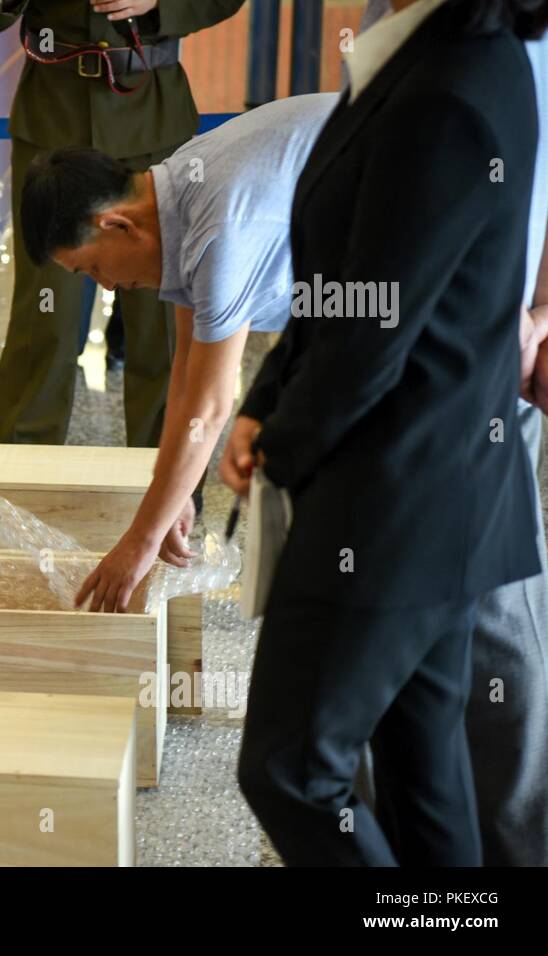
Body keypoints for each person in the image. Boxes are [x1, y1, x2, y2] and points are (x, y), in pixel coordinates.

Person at [221, 0, 546, 865]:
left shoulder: (448, 86)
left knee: (292, 772)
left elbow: (373, 331)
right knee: (422, 770)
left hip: (393, 500)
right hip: (440, 493)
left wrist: (281, 440)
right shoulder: (456, 55)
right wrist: (263, 401)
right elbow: (347, 282)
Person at [353, 0, 548, 868]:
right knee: (387, 669)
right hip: (404, 400)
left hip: (489, 393)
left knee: (501, 663)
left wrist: (540, 313)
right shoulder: (395, 36)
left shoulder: (513, 51)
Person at [15, 93, 338, 612]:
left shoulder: (217, 229)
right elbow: (186, 375)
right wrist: (171, 497)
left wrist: (138, 543)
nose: (109, 287)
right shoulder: (175, 191)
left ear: (117, 225)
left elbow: (210, 407)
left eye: (94, 268)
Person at [0, 0, 245, 447]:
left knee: (163, 317)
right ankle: (25, 474)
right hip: (53, 119)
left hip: (152, 121)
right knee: (45, 311)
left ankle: (168, 474)